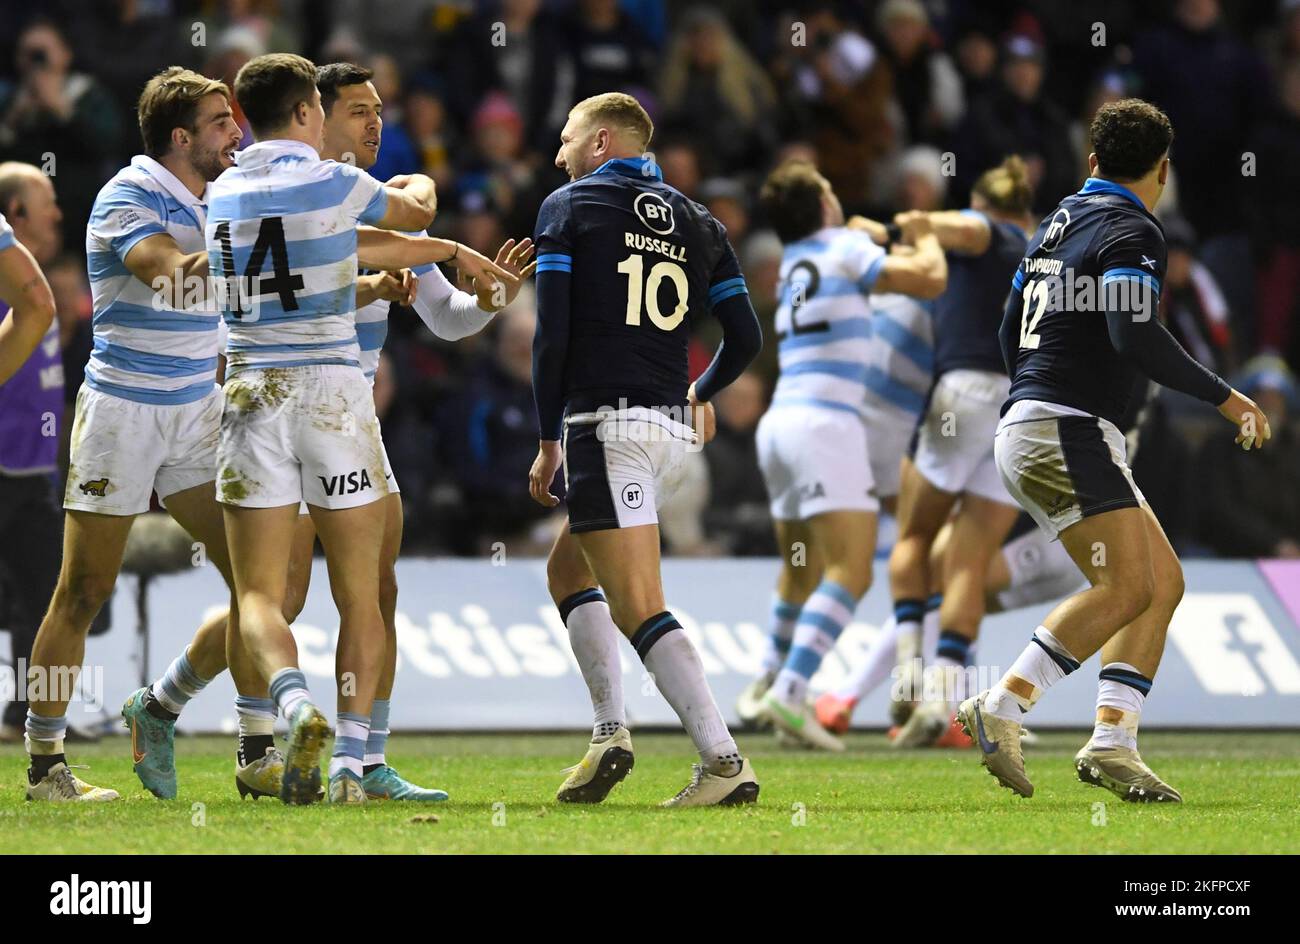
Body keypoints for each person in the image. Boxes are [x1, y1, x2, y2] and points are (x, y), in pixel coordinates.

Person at [205, 52, 516, 805]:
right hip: (334, 396)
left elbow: (434, 303)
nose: (377, 120)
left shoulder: (222, 189)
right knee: (342, 593)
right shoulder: (342, 185)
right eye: (358, 109)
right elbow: (399, 222)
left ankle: (297, 715)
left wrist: (473, 290)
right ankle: (342, 757)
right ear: (314, 110)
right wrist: (441, 235)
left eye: (382, 109)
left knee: (271, 595)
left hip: (254, 392)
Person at [958, 98, 1271, 802]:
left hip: (1046, 423)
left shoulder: (1055, 225)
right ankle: (1002, 703)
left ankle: (1113, 741)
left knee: (1161, 585)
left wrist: (1037, 390)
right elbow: (1134, 333)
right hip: (1065, 428)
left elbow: (1011, 329)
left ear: (1092, 161)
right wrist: (1226, 397)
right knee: (1125, 587)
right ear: (1163, 169)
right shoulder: (1134, 227)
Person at [528, 92, 763, 806]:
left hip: (605, 424)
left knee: (639, 606)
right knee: (569, 572)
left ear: (601, 142)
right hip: (668, 430)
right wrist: (701, 389)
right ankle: (609, 733)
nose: (558, 152)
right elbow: (745, 337)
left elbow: (552, 338)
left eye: (567, 138)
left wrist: (546, 442)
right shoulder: (698, 219)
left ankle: (724, 763)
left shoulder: (567, 208)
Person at [22, 68, 247, 803]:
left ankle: (177, 712)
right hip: (122, 411)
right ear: (182, 138)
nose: (236, 132)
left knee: (266, 583)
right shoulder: (126, 197)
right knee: (82, 590)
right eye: (220, 122)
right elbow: (175, 281)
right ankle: (46, 765)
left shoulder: (228, 192)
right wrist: (252, 243)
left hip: (197, 410)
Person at [742, 160, 946, 751]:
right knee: (851, 571)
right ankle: (794, 690)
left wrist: (870, 236)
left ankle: (767, 682)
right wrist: (925, 234)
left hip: (779, 423)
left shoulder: (796, 262)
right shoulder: (843, 247)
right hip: (826, 425)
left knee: (800, 569)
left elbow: (852, 257)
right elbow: (929, 280)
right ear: (826, 205)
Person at [884, 156, 1034, 748]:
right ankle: (942, 698)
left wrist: (920, 223)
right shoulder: (1042, 245)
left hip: (963, 392)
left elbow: (960, 231)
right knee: (968, 559)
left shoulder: (990, 232)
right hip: (1015, 404)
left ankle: (906, 666)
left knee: (914, 537)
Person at [0, 166, 61, 744]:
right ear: (15, 213)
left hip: (34, 465)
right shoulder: (12, 279)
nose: (58, 215)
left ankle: (27, 718)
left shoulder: (39, 283)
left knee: (43, 597)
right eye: (46, 204)